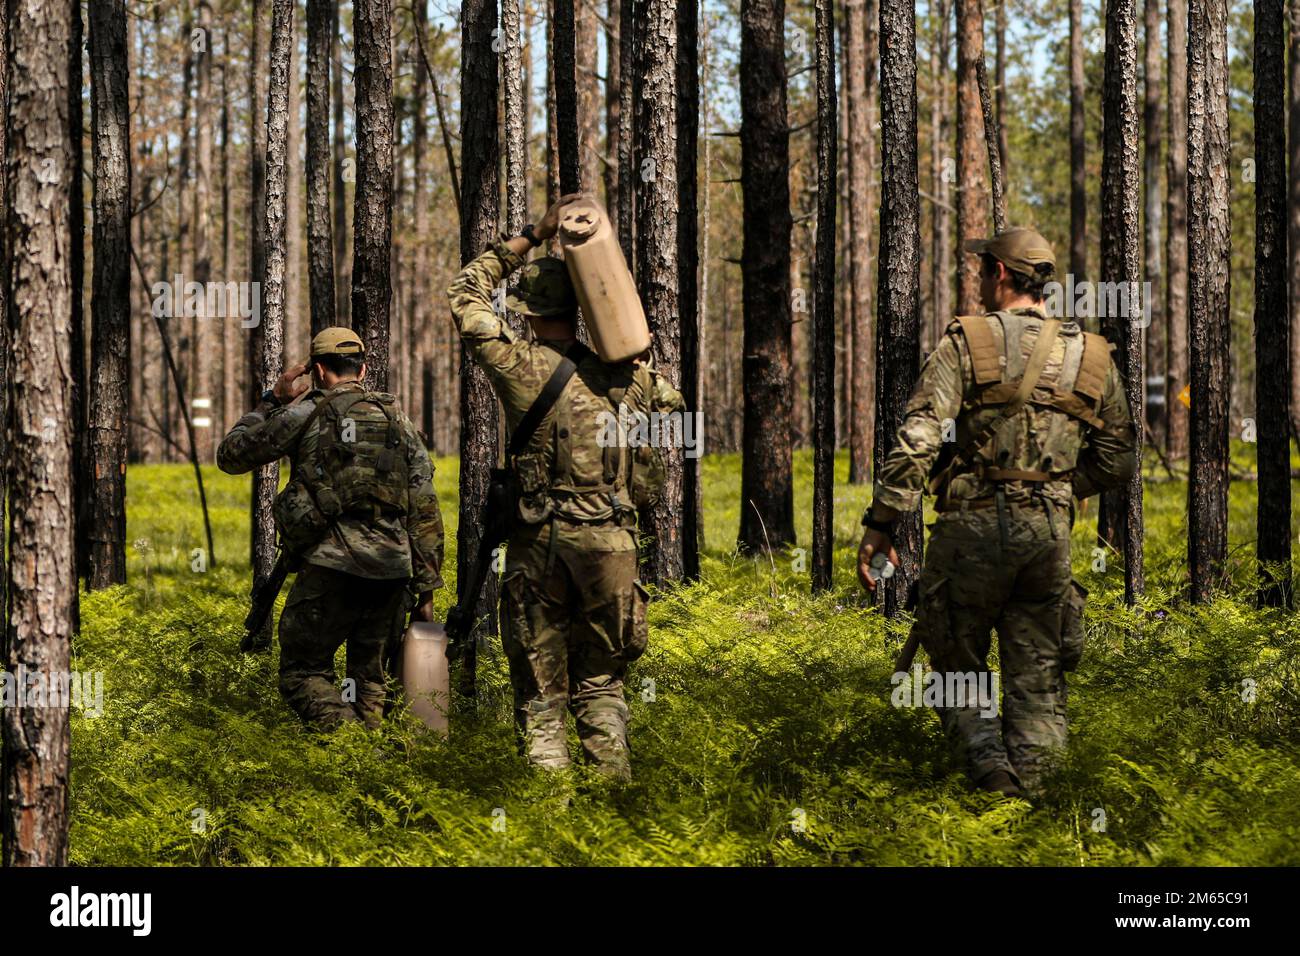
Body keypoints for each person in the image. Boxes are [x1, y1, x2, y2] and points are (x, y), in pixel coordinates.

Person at [857, 227, 1136, 798]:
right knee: (1039, 683)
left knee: (955, 665)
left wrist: (881, 523)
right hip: (1049, 541)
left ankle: (990, 774)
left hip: (972, 531)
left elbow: (918, 437)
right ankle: (1038, 815)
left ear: (1002, 275)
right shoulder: (1092, 355)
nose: (979, 280)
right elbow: (1118, 459)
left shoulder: (969, 340)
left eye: (983, 269)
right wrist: (1058, 487)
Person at [447, 194, 684, 781]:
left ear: (527, 314)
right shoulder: (631, 378)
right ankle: (615, 807)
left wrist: (534, 232)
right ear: (584, 309)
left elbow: (464, 293)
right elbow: (671, 418)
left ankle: (552, 821)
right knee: (603, 685)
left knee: (541, 693)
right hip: (614, 547)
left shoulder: (518, 365)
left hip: (542, 547)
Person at [218, 327, 445, 730]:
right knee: (370, 685)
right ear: (364, 368)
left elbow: (232, 454)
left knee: (303, 672)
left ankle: (349, 746)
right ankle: (366, 773)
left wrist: (270, 401)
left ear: (318, 371)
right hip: (393, 570)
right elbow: (425, 509)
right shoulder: (398, 420)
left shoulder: (304, 413)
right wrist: (426, 589)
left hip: (331, 566)